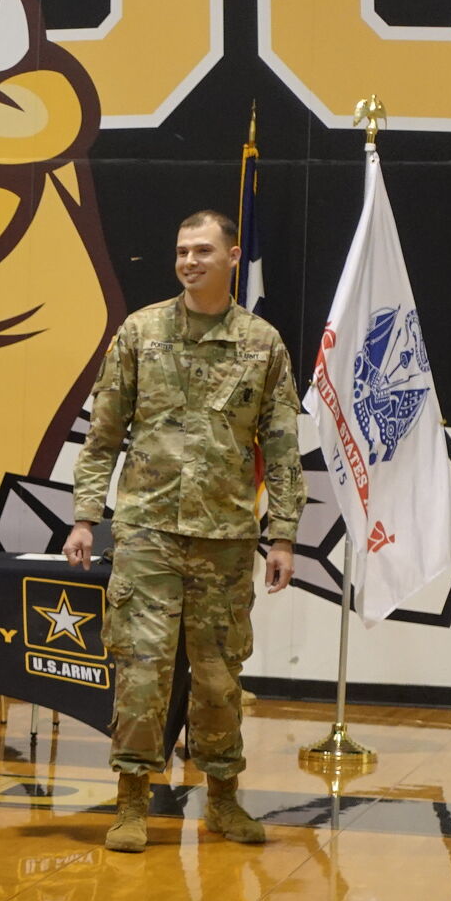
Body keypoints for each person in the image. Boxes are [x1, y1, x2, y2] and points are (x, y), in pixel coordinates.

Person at [65, 209, 305, 853]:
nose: (190, 261)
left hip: (225, 537)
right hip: (146, 531)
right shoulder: (140, 332)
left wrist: (281, 536)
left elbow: (281, 449)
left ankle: (224, 800)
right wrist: (86, 516)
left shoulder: (263, 343)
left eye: (203, 250)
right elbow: (104, 434)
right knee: (141, 674)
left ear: (233, 258)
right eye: (181, 251)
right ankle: (132, 804)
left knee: (220, 677)